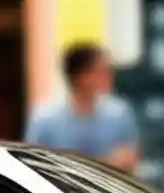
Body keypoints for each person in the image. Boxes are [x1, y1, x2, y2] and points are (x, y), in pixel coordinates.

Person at [24, 42, 139, 172]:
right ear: (81, 76)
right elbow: (35, 164)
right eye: (102, 71)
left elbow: (128, 161)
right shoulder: (45, 119)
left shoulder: (119, 113)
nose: (110, 76)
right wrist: (106, 162)